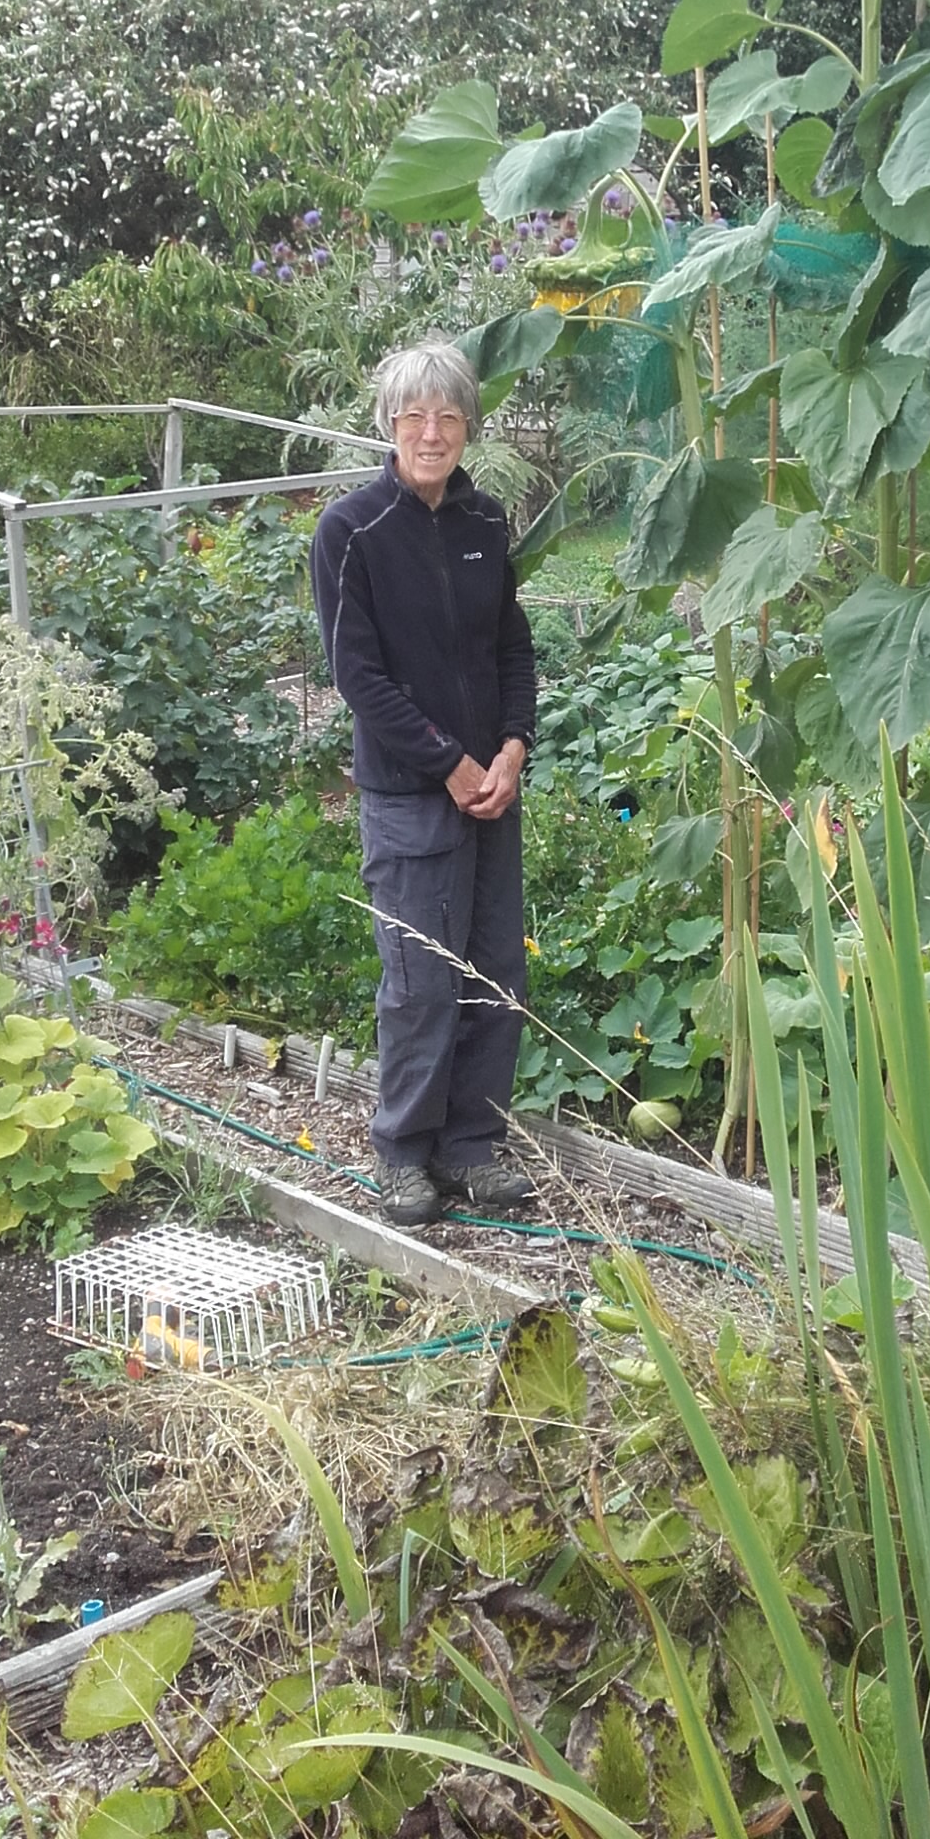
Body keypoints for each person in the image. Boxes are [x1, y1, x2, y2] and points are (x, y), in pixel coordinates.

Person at [310, 339, 538, 1227]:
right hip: (411, 796)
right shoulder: (352, 531)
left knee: (495, 971)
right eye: (415, 416)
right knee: (417, 982)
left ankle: (470, 1146)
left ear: (469, 426)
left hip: (493, 791)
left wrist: (514, 747)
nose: (432, 431)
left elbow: (511, 644)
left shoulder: (485, 524)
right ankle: (403, 1153)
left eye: (448, 415)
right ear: (389, 426)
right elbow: (357, 677)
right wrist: (449, 762)